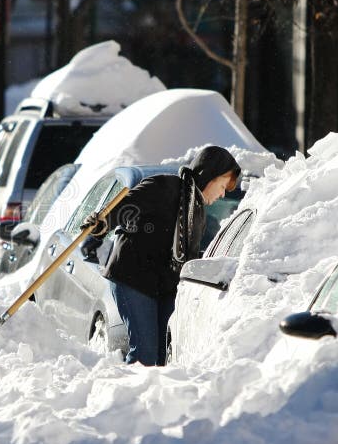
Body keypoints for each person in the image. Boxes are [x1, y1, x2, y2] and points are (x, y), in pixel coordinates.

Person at [82, 145, 241, 366]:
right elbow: (127, 206)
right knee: (145, 356)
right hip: (134, 279)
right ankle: (128, 398)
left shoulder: (198, 211)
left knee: (162, 359)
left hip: (164, 286)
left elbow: (189, 258)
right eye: (223, 186)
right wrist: (102, 224)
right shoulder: (165, 186)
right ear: (209, 177)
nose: (223, 194)